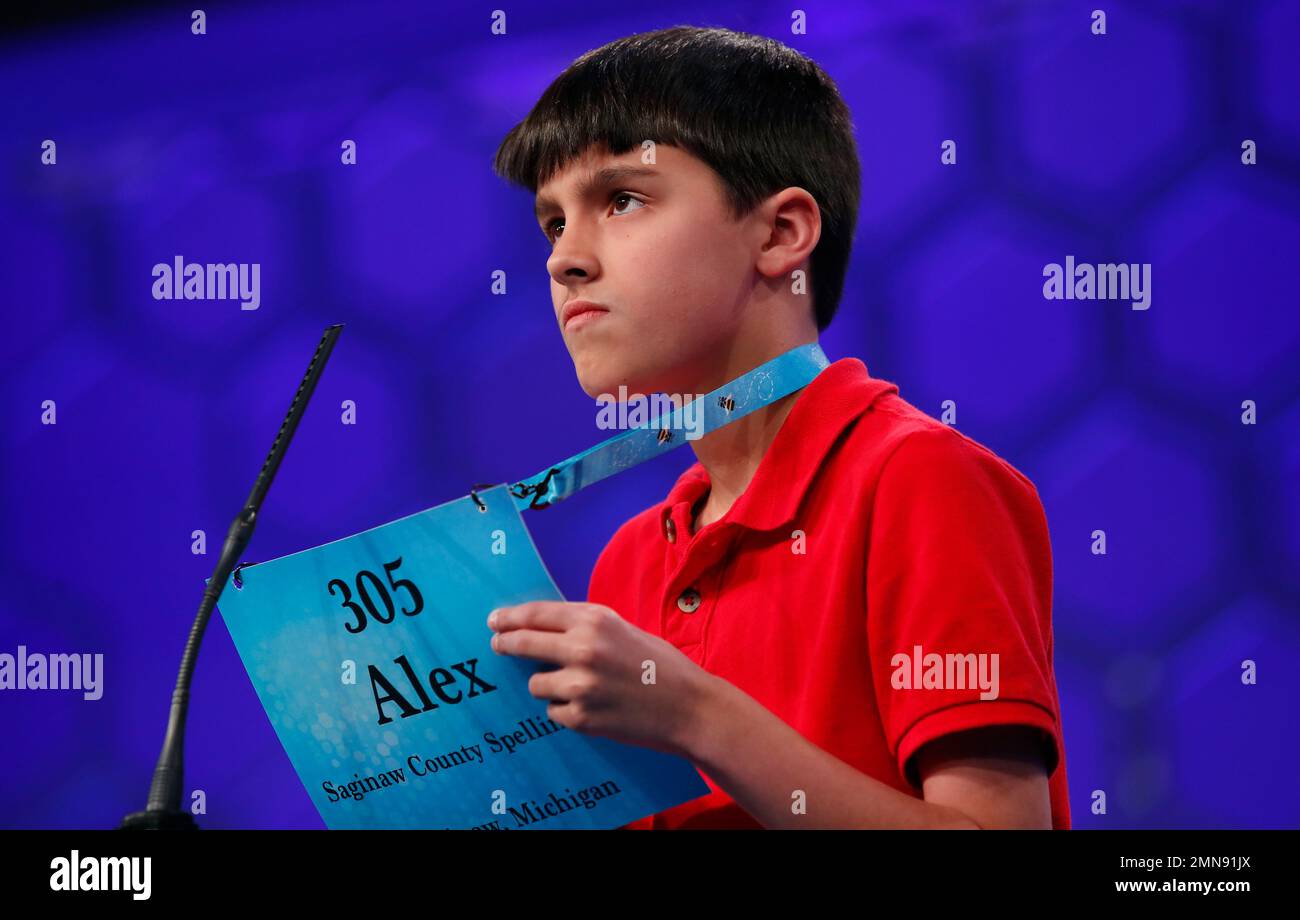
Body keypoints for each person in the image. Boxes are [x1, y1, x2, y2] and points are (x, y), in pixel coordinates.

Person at [486, 25, 1069, 829]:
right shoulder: (630, 560)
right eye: (554, 223)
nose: (564, 259)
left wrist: (696, 714)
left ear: (780, 233)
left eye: (621, 200)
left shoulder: (918, 478)